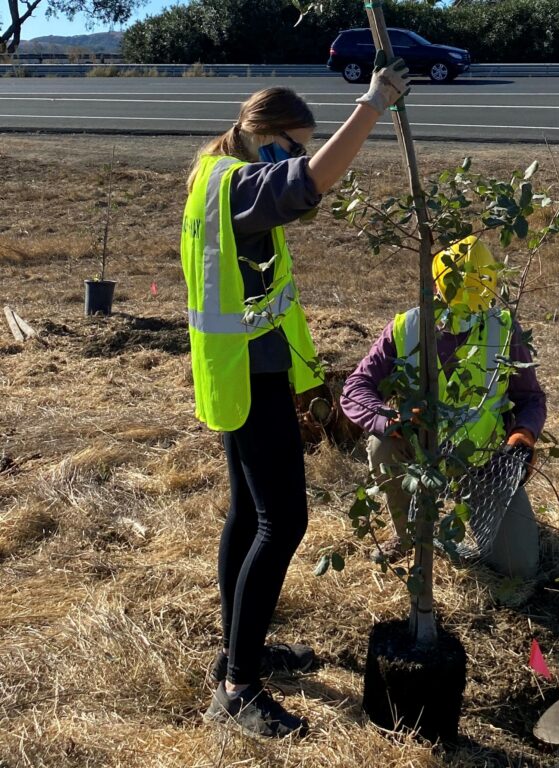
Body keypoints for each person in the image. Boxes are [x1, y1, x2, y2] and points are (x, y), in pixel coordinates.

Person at [180, 61, 411, 738]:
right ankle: (238, 690)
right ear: (262, 135)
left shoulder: (220, 178)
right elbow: (311, 183)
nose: (296, 157)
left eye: (301, 147)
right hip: (245, 377)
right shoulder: (239, 186)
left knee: (249, 516)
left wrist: (308, 376)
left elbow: (269, 288)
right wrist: (373, 104)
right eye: (291, 145)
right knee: (283, 522)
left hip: (242, 370)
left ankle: (237, 652)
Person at [341, 235, 545, 579]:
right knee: (381, 443)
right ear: (435, 285)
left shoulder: (503, 330)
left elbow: (531, 399)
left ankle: (473, 520)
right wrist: (391, 419)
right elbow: (355, 389)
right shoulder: (406, 328)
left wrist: (523, 436)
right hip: (419, 456)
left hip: (484, 461)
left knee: (518, 566)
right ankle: (408, 534)